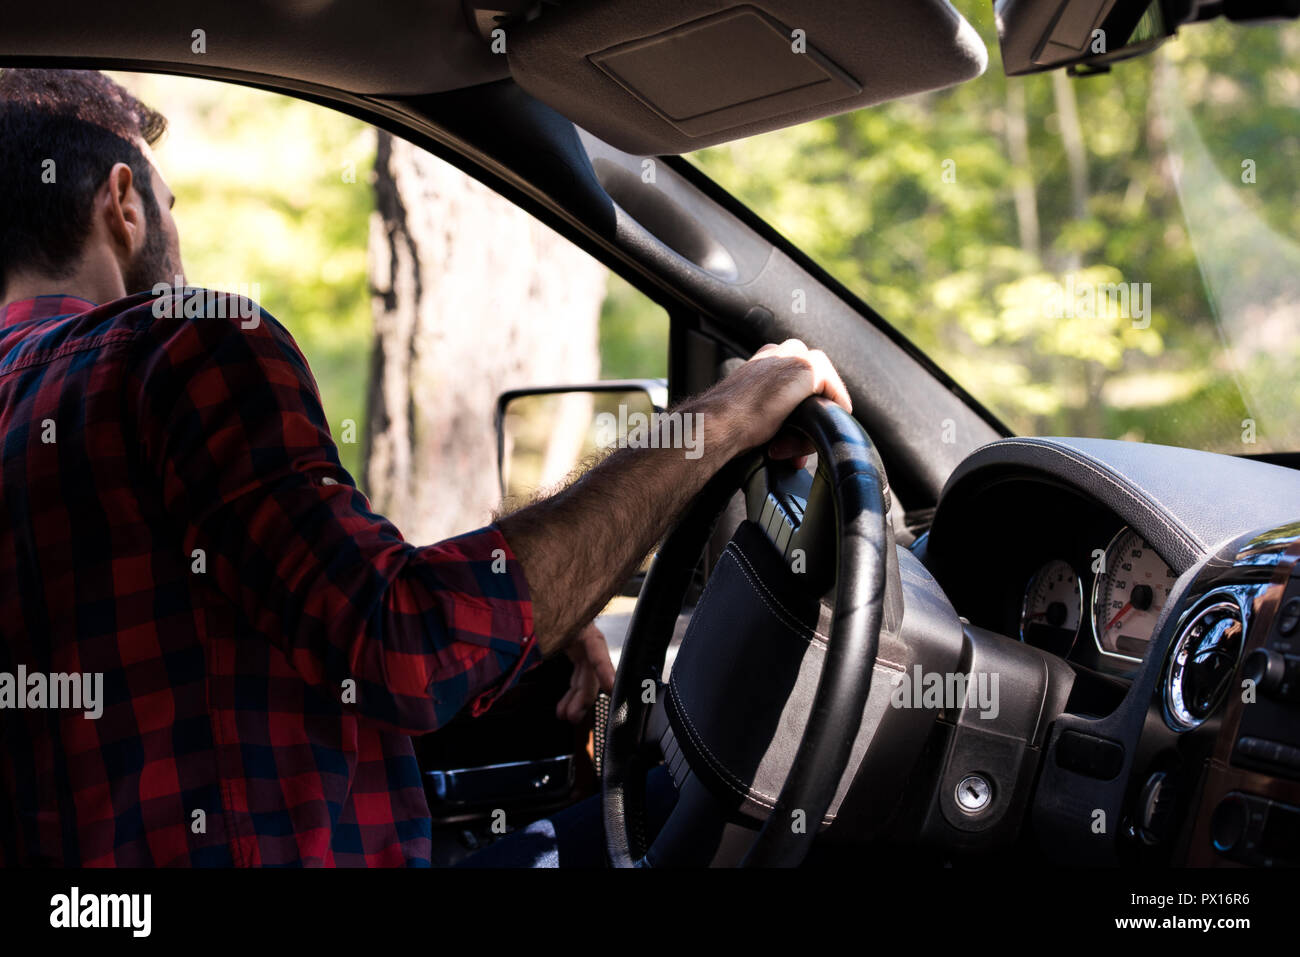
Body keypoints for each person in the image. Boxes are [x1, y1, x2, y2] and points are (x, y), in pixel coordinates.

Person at [0, 69, 852, 866]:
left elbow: (265, 626)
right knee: (692, 818)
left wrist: (544, 619)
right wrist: (721, 420)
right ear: (123, 201)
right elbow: (406, 643)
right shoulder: (183, 345)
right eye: (169, 201)